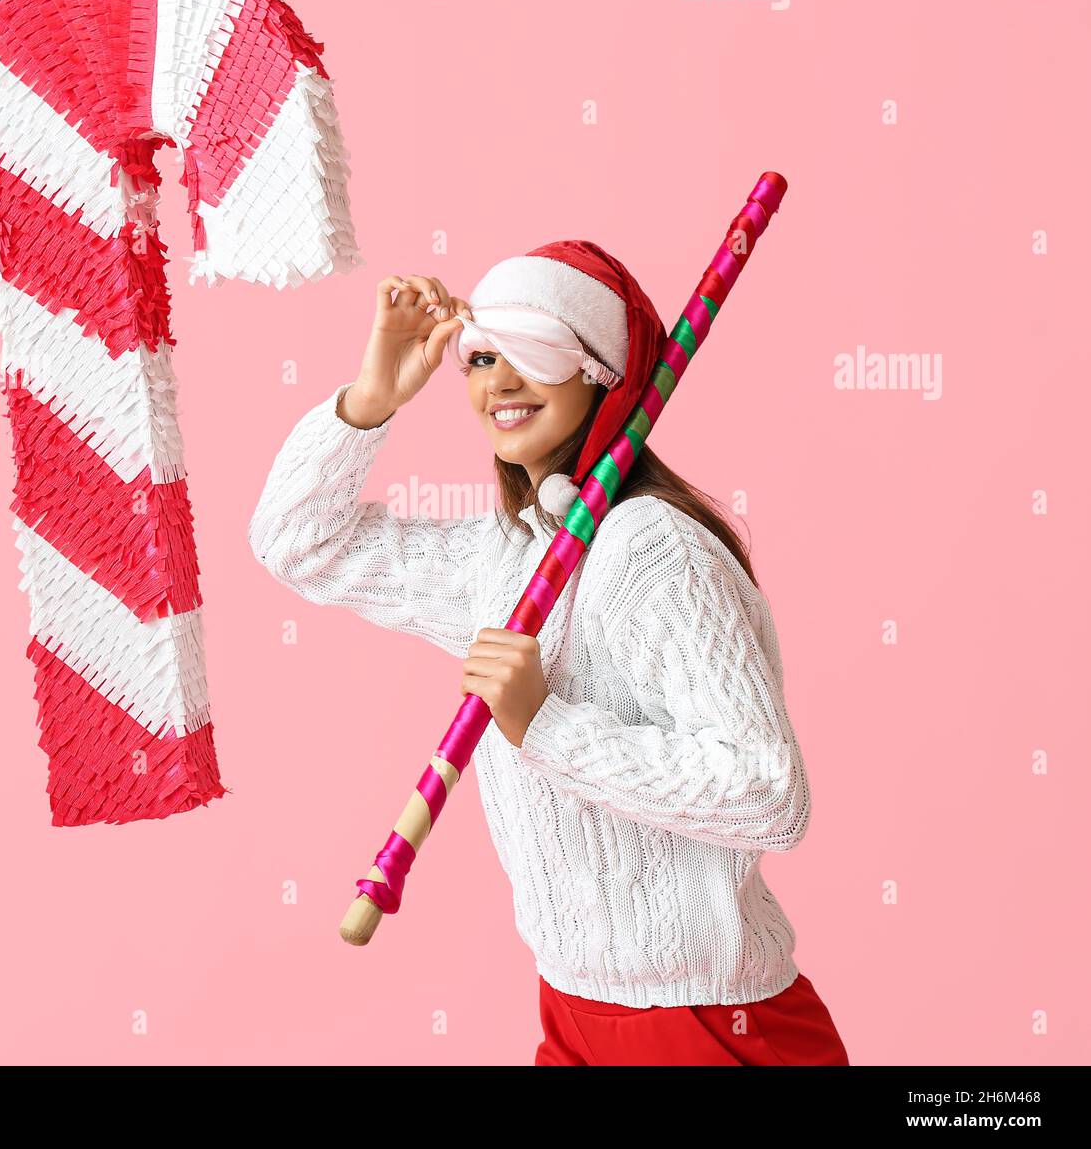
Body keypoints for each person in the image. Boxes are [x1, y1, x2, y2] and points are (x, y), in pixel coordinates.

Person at [246, 241, 849, 1066]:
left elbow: (771, 791)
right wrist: (372, 398)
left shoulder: (651, 550)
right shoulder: (503, 556)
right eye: (480, 357)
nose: (496, 382)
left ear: (600, 372)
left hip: (707, 1027)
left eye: (531, 352)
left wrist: (545, 726)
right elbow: (295, 543)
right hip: (570, 1014)